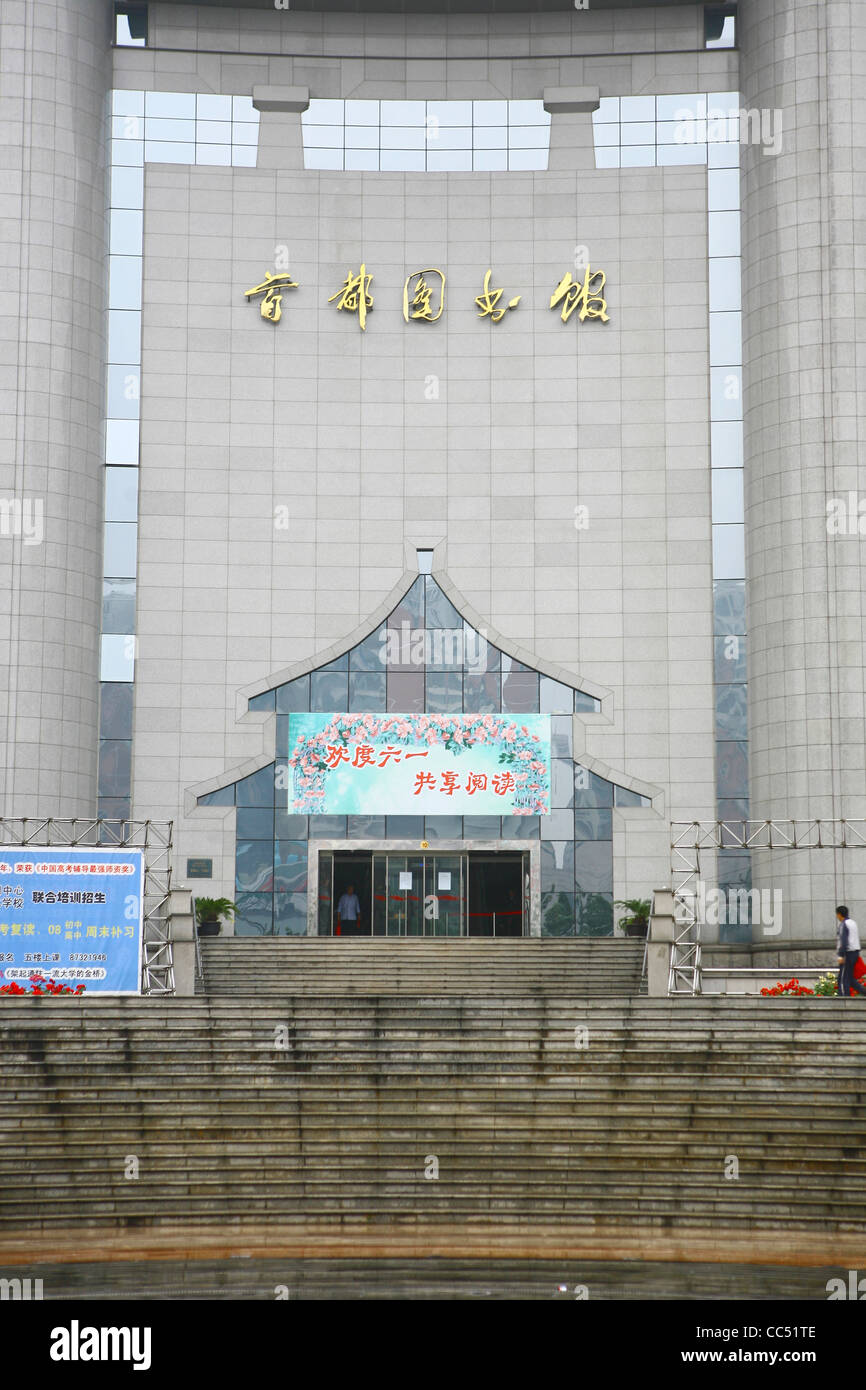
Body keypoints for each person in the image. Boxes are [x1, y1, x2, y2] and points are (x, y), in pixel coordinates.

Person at [835, 905, 866, 998]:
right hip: (855, 952)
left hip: (847, 954)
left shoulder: (844, 924)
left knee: (842, 978)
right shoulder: (853, 923)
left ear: (839, 914)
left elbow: (843, 941)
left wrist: (841, 955)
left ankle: (844, 998)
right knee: (849, 978)